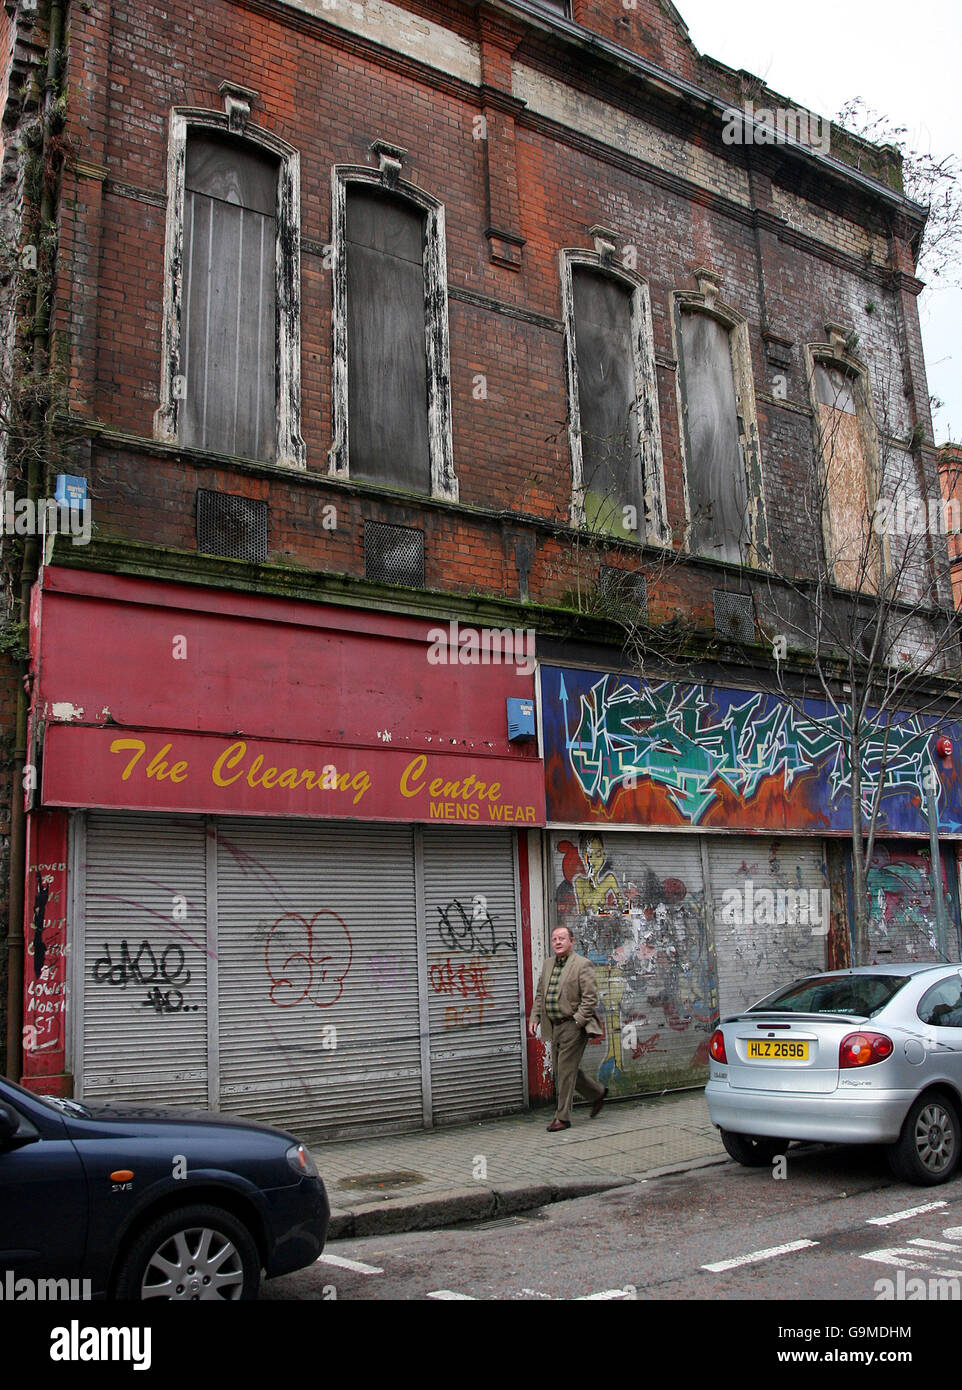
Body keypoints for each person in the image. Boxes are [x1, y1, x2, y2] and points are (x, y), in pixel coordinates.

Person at [528, 924, 607, 1131]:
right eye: (554, 939)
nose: (557, 942)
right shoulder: (547, 965)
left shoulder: (582, 964)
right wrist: (534, 1017)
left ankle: (562, 1117)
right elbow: (540, 994)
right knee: (562, 1070)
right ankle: (597, 1092)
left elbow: (590, 998)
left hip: (573, 1025)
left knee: (564, 1072)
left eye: (562, 938)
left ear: (571, 941)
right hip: (553, 1026)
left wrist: (578, 1020)